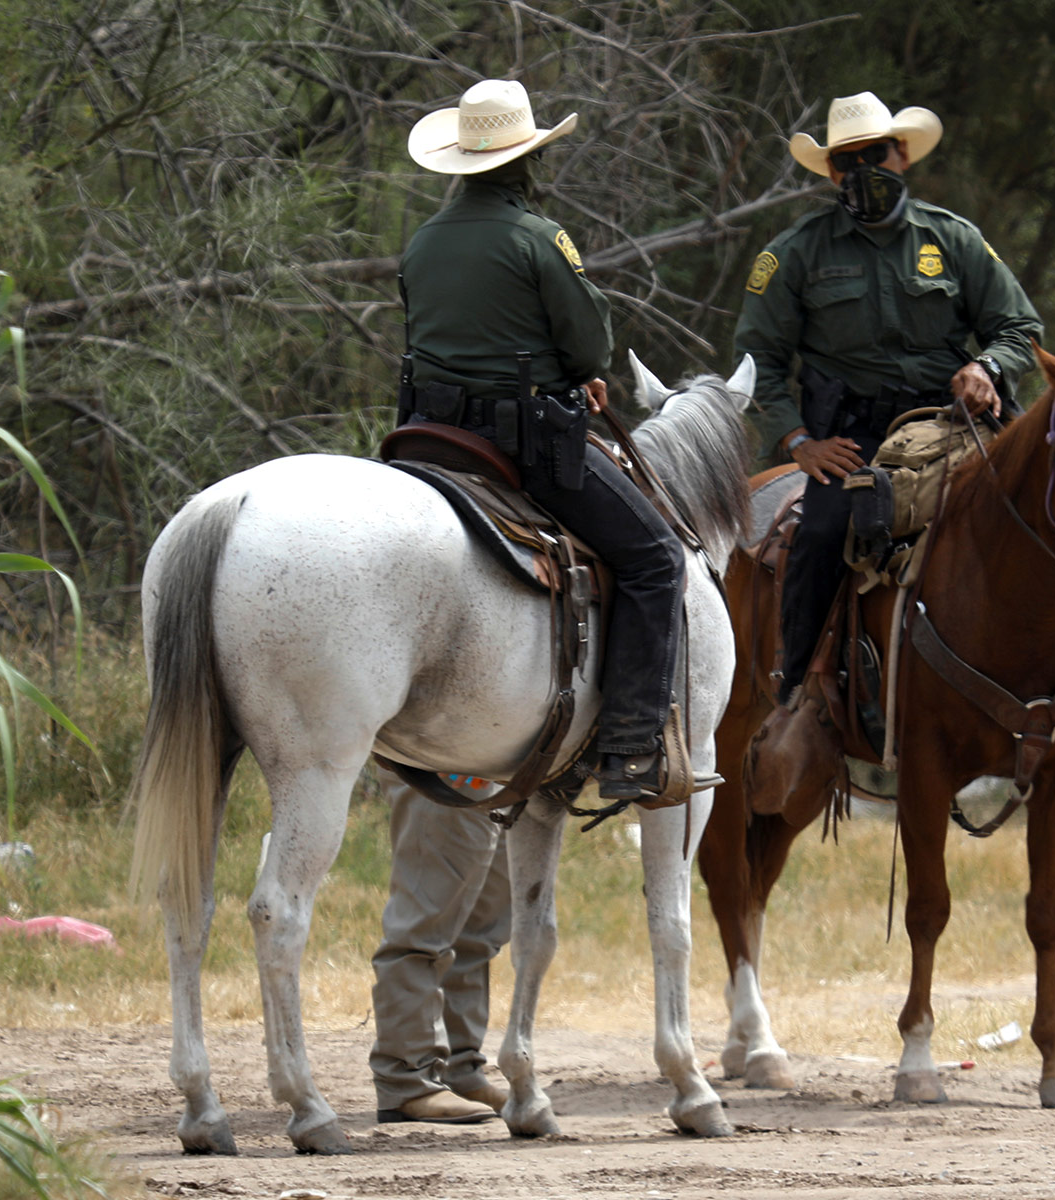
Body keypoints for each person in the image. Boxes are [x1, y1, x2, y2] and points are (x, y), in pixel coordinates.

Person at [400, 79, 685, 803]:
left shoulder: (423, 242)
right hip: (524, 446)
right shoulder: (538, 238)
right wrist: (576, 376)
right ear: (526, 161)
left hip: (428, 437)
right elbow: (589, 345)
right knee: (655, 559)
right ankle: (629, 746)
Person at [733, 92, 1043, 702]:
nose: (862, 171)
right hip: (852, 441)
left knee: (1052, 507)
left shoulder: (954, 239)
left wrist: (987, 366)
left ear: (901, 154)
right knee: (821, 537)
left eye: (874, 154)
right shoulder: (795, 252)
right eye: (847, 161)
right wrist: (798, 441)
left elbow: (1019, 328)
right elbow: (757, 360)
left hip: (956, 423)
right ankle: (799, 696)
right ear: (831, 172)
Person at [370, 768, 513, 1125]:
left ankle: (458, 1069)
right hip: (443, 759)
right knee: (424, 924)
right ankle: (407, 1079)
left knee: (479, 929)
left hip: (502, 764)